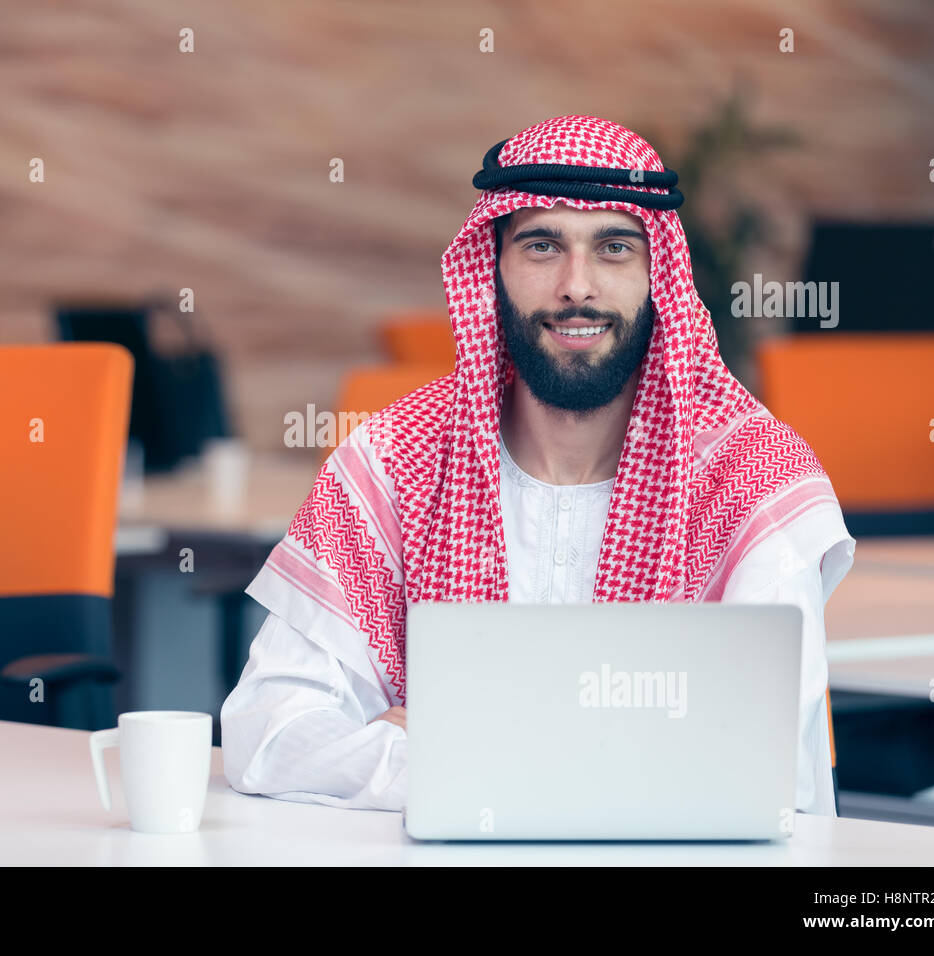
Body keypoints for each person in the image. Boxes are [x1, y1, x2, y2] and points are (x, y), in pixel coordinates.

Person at [220, 115, 855, 815]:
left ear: (657, 274)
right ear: (491, 269)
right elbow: (269, 733)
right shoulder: (393, 460)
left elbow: (749, 775)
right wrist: (590, 764)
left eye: (614, 247)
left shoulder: (747, 478)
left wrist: (453, 748)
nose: (576, 287)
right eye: (542, 245)